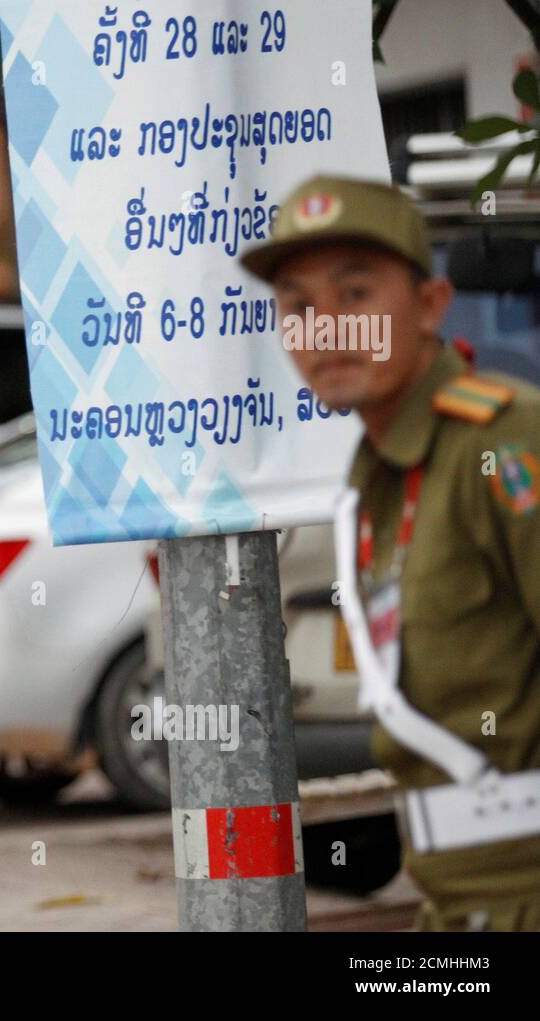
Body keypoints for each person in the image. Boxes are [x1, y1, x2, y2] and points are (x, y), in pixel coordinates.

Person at [241, 174, 540, 931]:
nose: (328, 331)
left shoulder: (504, 444)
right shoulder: (377, 472)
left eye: (355, 296)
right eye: (300, 307)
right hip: (454, 897)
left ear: (431, 305)